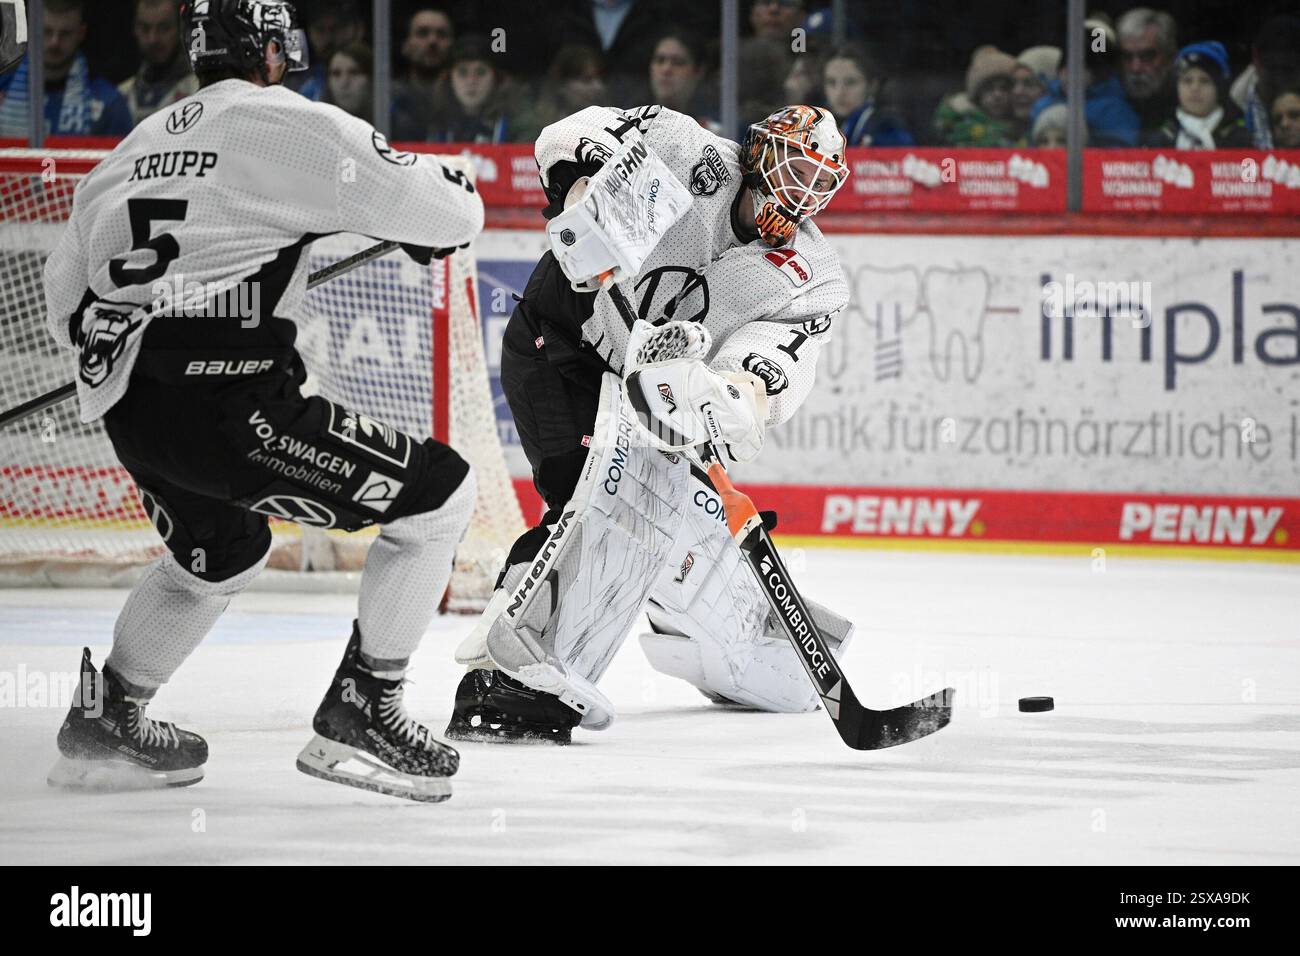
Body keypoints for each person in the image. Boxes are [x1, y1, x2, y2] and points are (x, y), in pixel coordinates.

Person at [43, 0, 484, 803]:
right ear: (272, 51)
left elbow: (62, 295)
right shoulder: (292, 122)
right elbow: (446, 214)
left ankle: (111, 716)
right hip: (231, 408)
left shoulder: (137, 142)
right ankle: (366, 704)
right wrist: (448, 196)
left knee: (221, 550)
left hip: (129, 410)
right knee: (440, 496)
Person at [445, 103, 856, 743]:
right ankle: (506, 683)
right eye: (794, 168)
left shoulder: (815, 276)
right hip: (561, 349)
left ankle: (737, 659)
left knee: (682, 517)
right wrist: (583, 193)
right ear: (759, 153)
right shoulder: (685, 150)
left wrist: (730, 395)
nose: (802, 192)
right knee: (601, 503)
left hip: (654, 398)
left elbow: (772, 367)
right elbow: (565, 136)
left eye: (819, 180)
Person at [0, 0, 133, 137]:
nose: (55, 42)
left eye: (65, 33)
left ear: (81, 33)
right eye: (47, 31)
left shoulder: (110, 103)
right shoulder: (3, 88)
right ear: (31, 29)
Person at [1030, 16, 1139, 148]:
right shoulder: (1043, 104)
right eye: (1066, 67)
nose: (1071, 75)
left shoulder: (1114, 110)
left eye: (1081, 68)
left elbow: (1119, 156)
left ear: (1096, 75)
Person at [1145, 42, 1250, 149]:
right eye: (1187, 81)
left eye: (1205, 81)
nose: (1195, 88)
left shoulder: (1239, 139)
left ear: (1220, 88)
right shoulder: (1161, 139)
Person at [427, 34, 530, 144]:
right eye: (462, 72)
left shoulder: (520, 124)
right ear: (448, 80)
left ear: (497, 79)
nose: (471, 81)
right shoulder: (432, 122)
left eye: (481, 72)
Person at [118, 0, 200, 125]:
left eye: (164, 28)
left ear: (181, 28)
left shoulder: (199, 91)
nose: (153, 39)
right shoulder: (121, 96)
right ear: (134, 29)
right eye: (145, 29)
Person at [1230, 15, 1300, 149]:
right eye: (1273, 68)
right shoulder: (1234, 105)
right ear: (1256, 59)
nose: (1279, 78)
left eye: (1287, 69)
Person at [822, 43, 912, 146]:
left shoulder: (887, 127)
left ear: (872, 85)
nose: (839, 92)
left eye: (851, 82)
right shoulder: (822, 126)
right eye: (831, 82)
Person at [932, 45, 1019, 147]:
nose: (997, 95)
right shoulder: (957, 126)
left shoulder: (1023, 129)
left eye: (1004, 88)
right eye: (989, 89)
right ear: (977, 94)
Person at [391, 5, 456, 142]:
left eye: (441, 34)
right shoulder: (389, 98)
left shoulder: (467, 98)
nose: (432, 41)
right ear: (405, 45)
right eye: (422, 33)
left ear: (452, 45)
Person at [1117, 8, 1179, 140]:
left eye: (1147, 56)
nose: (1135, 68)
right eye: (1127, 57)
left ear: (1169, 57)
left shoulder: (1188, 102)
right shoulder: (1113, 97)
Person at [291, 0, 365, 101]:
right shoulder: (300, 88)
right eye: (320, 29)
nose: (328, 37)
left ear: (359, 29)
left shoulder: (380, 79)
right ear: (309, 33)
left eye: (336, 28)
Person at [648, 30, 719, 132]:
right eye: (660, 60)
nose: (666, 69)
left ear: (698, 71)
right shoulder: (630, 122)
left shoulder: (714, 131)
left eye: (678, 62)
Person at [527, 45, 608, 135]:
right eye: (586, 79)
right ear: (561, 85)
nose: (599, 87)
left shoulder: (611, 125)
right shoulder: (534, 127)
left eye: (601, 79)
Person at [323, 42, 371, 123]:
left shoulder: (394, 123)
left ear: (370, 78)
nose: (344, 83)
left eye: (354, 73)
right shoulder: (315, 125)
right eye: (336, 74)